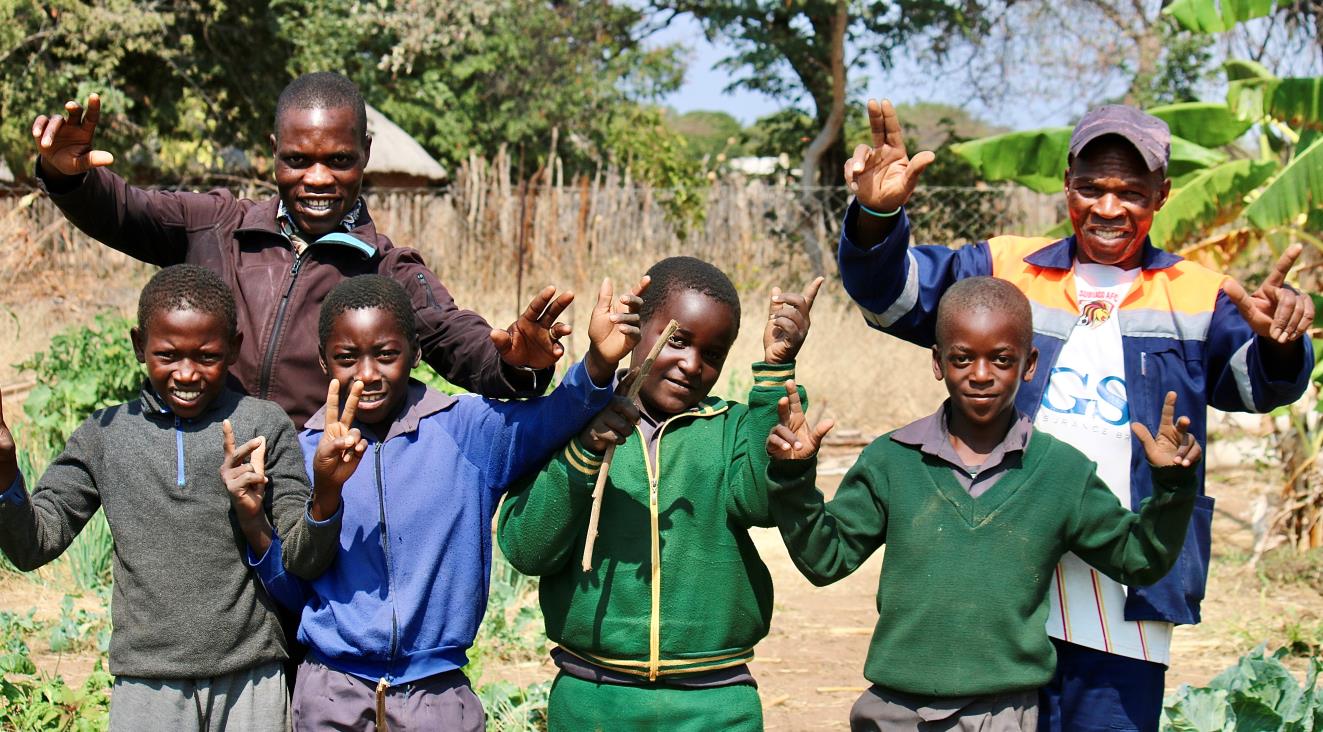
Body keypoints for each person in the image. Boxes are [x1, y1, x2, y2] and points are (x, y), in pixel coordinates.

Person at [835, 100, 1316, 731]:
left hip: (1125, 582)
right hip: (1002, 578)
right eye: (1091, 188)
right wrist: (877, 215)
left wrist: (1282, 345)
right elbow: (892, 295)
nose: (1108, 208)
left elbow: (1257, 387)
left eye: (1130, 192)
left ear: (1162, 194)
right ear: (1067, 185)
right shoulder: (1006, 267)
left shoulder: (1199, 295)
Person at [767, 276, 1202, 731]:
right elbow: (824, 559)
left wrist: (1172, 486)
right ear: (938, 362)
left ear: (1029, 364)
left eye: (1001, 360)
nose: (980, 374)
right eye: (962, 358)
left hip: (1004, 714)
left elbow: (1140, 559)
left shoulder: (1061, 472)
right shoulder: (892, 459)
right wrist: (794, 477)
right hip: (894, 711)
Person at [30, 71, 569, 428]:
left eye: (338, 160)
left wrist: (514, 361)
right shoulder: (220, 226)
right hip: (213, 481)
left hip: (320, 493)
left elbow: (457, 339)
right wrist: (66, 175)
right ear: (273, 154)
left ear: (365, 154)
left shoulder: (386, 270)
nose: (317, 179)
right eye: (297, 160)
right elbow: (126, 211)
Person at [231, 272, 644, 730]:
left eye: (386, 355)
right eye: (347, 358)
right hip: (332, 695)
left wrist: (599, 367)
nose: (367, 374)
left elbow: (552, 418)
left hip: (438, 697)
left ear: (415, 352)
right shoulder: (305, 452)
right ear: (324, 363)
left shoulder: (466, 429)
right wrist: (287, 511)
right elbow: (293, 589)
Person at [497, 256, 823, 731]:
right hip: (593, 700)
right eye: (677, 340)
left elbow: (761, 503)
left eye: (712, 354)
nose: (692, 364)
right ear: (637, 331)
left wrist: (775, 374)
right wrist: (585, 450)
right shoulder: (571, 422)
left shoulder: (730, 430)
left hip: (715, 703)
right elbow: (527, 548)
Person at [0, 265, 309, 731]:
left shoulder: (264, 425)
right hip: (148, 686)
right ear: (137, 345)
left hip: (252, 677)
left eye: (206, 356)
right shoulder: (106, 436)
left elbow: (302, 556)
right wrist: (6, 476)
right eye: (167, 355)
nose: (187, 373)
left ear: (235, 348)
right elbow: (34, 545)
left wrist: (265, 514)